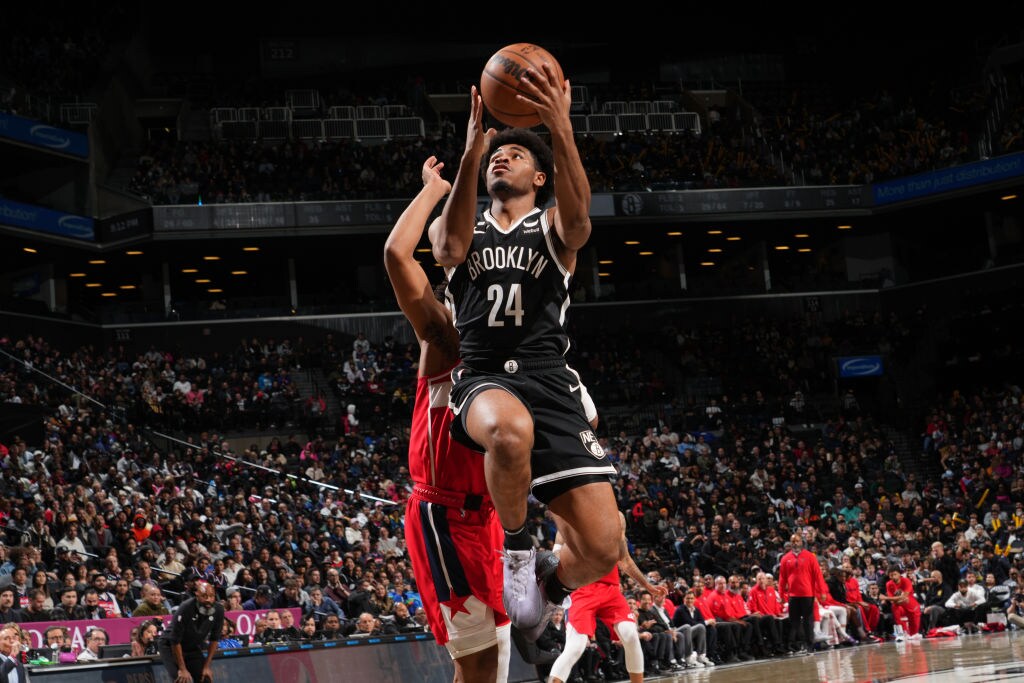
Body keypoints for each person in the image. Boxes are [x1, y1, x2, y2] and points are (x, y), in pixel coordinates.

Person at [429, 58, 618, 643]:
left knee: (603, 550)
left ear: (541, 177)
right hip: (484, 375)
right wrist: (467, 159)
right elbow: (448, 246)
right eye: (494, 157)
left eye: (515, 155)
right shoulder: (466, 219)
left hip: (549, 376)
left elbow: (582, 221)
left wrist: (560, 126)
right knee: (508, 433)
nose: (500, 157)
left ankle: (547, 582)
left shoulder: (553, 226)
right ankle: (516, 550)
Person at [384, 155, 511, 683]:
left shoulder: (511, 343)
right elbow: (395, 253)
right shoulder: (446, 335)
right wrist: (435, 190)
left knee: (491, 657)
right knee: (479, 664)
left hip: (489, 517)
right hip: (447, 515)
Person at [546, 512, 663, 683]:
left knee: (630, 634)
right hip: (581, 589)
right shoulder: (569, 516)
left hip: (611, 589)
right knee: (575, 647)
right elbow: (555, 557)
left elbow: (625, 559)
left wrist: (648, 586)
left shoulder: (616, 517)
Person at [157, 581, 224, 683]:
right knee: (182, 679)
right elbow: (175, 640)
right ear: (197, 595)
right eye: (204, 596)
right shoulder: (186, 607)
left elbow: (214, 639)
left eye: (211, 596)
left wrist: (206, 666)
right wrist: (183, 669)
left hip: (192, 646)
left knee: (205, 678)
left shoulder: (219, 610)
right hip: (170, 645)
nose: (208, 600)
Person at [778, 533, 830, 654]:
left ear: (801, 542)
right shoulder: (785, 558)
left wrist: (822, 591)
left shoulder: (810, 556)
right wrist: (781, 595)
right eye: (792, 541)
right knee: (794, 621)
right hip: (793, 595)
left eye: (797, 541)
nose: (795, 543)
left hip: (807, 594)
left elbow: (818, 575)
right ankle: (803, 643)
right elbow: (782, 578)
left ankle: (809, 646)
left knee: (808, 621)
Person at [880, 567, 922, 640]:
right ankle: (901, 633)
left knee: (914, 635)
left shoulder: (906, 581)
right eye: (891, 575)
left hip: (912, 606)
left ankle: (913, 632)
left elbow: (904, 597)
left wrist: (886, 598)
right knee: (894, 606)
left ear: (899, 574)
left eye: (894, 574)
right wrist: (895, 599)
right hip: (900, 605)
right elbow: (892, 601)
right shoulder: (888, 584)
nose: (893, 577)